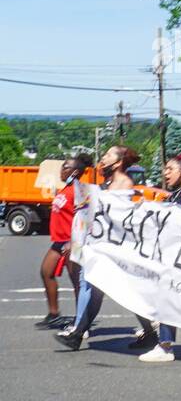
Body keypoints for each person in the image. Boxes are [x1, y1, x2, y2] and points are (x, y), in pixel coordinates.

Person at [55, 146, 158, 352]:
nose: (103, 158)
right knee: (93, 287)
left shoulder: (124, 183)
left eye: (108, 155)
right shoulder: (105, 183)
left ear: (118, 162)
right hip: (102, 247)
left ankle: (151, 333)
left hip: (118, 248)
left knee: (128, 292)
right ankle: (77, 333)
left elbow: (118, 215)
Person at [140, 155, 181, 364]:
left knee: (168, 297)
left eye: (170, 169)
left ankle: (165, 346)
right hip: (171, 253)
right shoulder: (174, 194)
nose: (165, 173)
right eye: (165, 169)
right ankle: (164, 340)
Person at [35, 154, 91, 329]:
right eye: (62, 167)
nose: (61, 170)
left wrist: (72, 241)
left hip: (72, 242)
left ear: (75, 172)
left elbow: (85, 219)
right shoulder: (65, 188)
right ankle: (54, 315)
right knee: (46, 272)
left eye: (65, 167)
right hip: (59, 242)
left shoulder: (81, 191)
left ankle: (81, 322)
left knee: (77, 282)